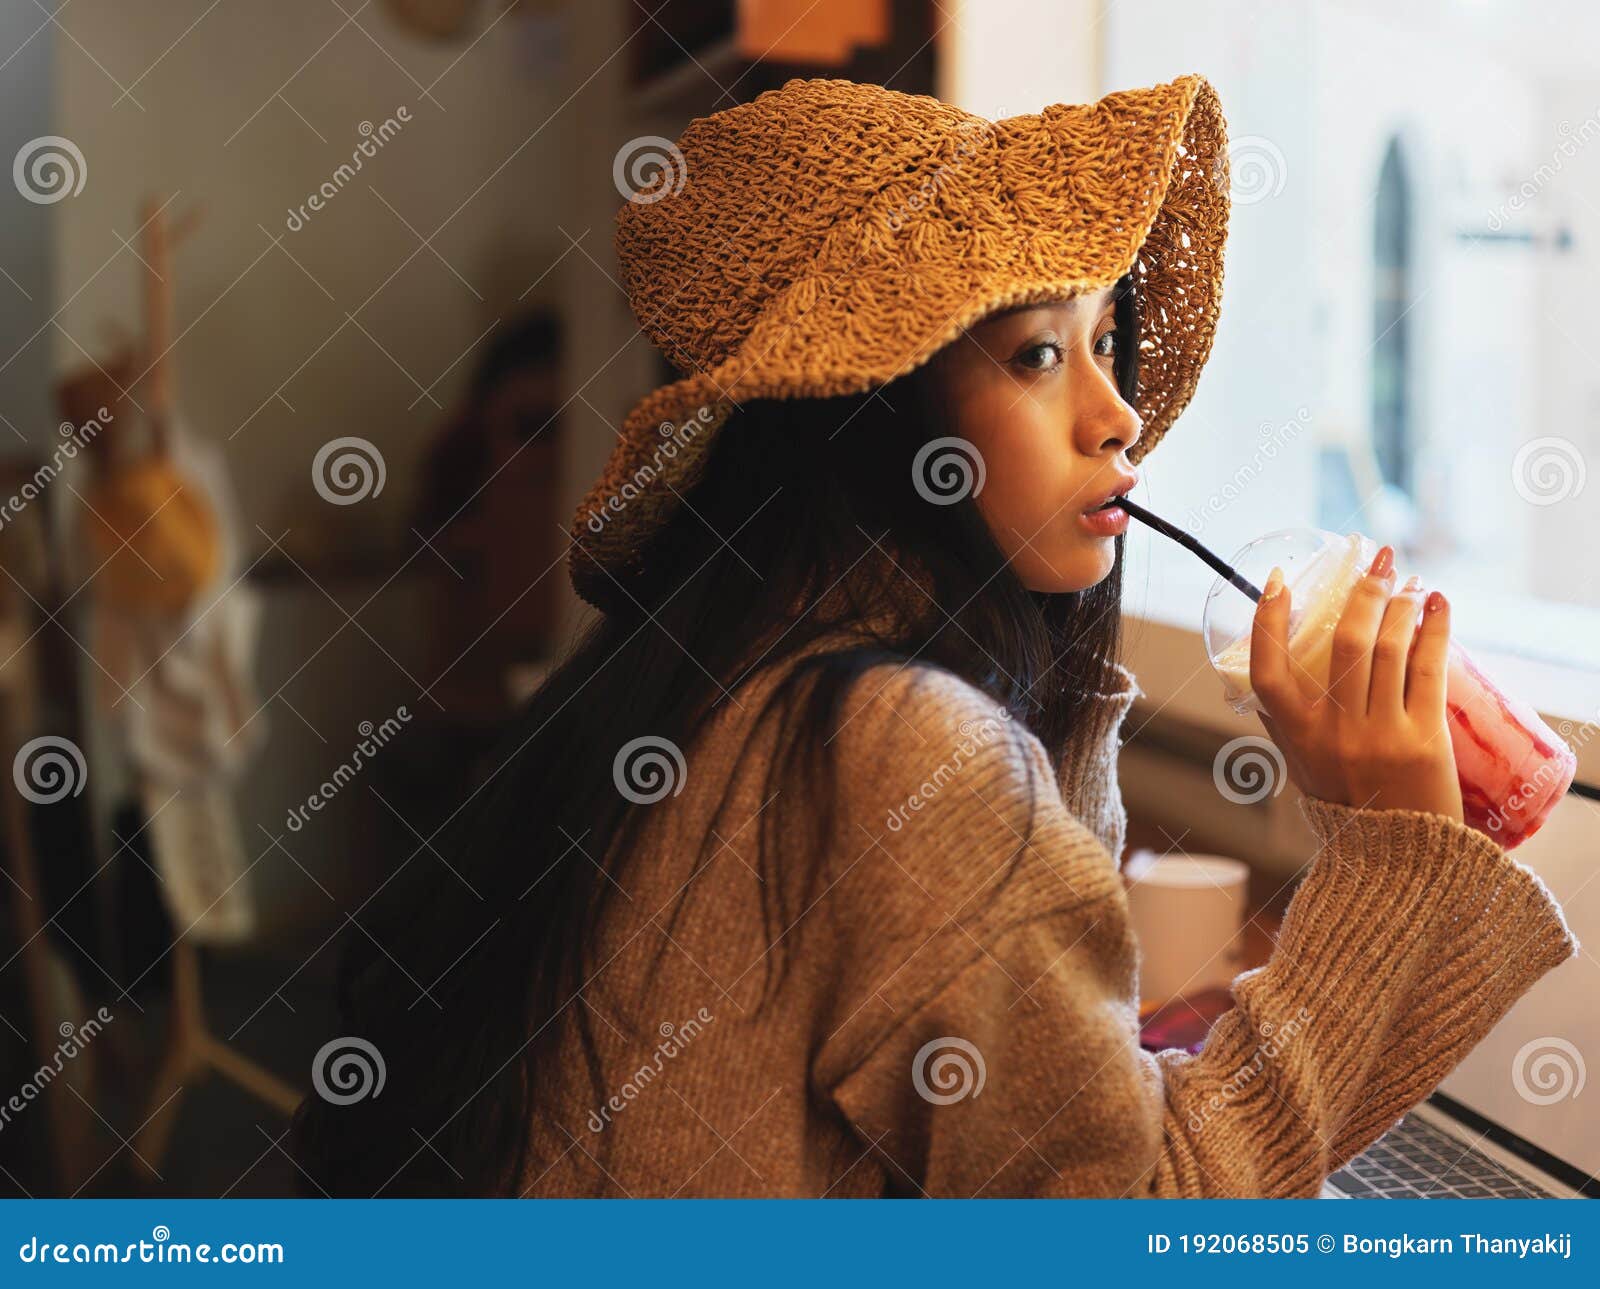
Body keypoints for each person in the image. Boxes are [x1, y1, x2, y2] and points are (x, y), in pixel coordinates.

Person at [290, 74, 1576, 1198]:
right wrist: (1391, 856)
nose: (1118, 411)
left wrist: (1055, 671)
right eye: (1034, 356)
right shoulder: (901, 747)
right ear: (878, 414)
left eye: (1104, 340)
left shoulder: (741, 680)